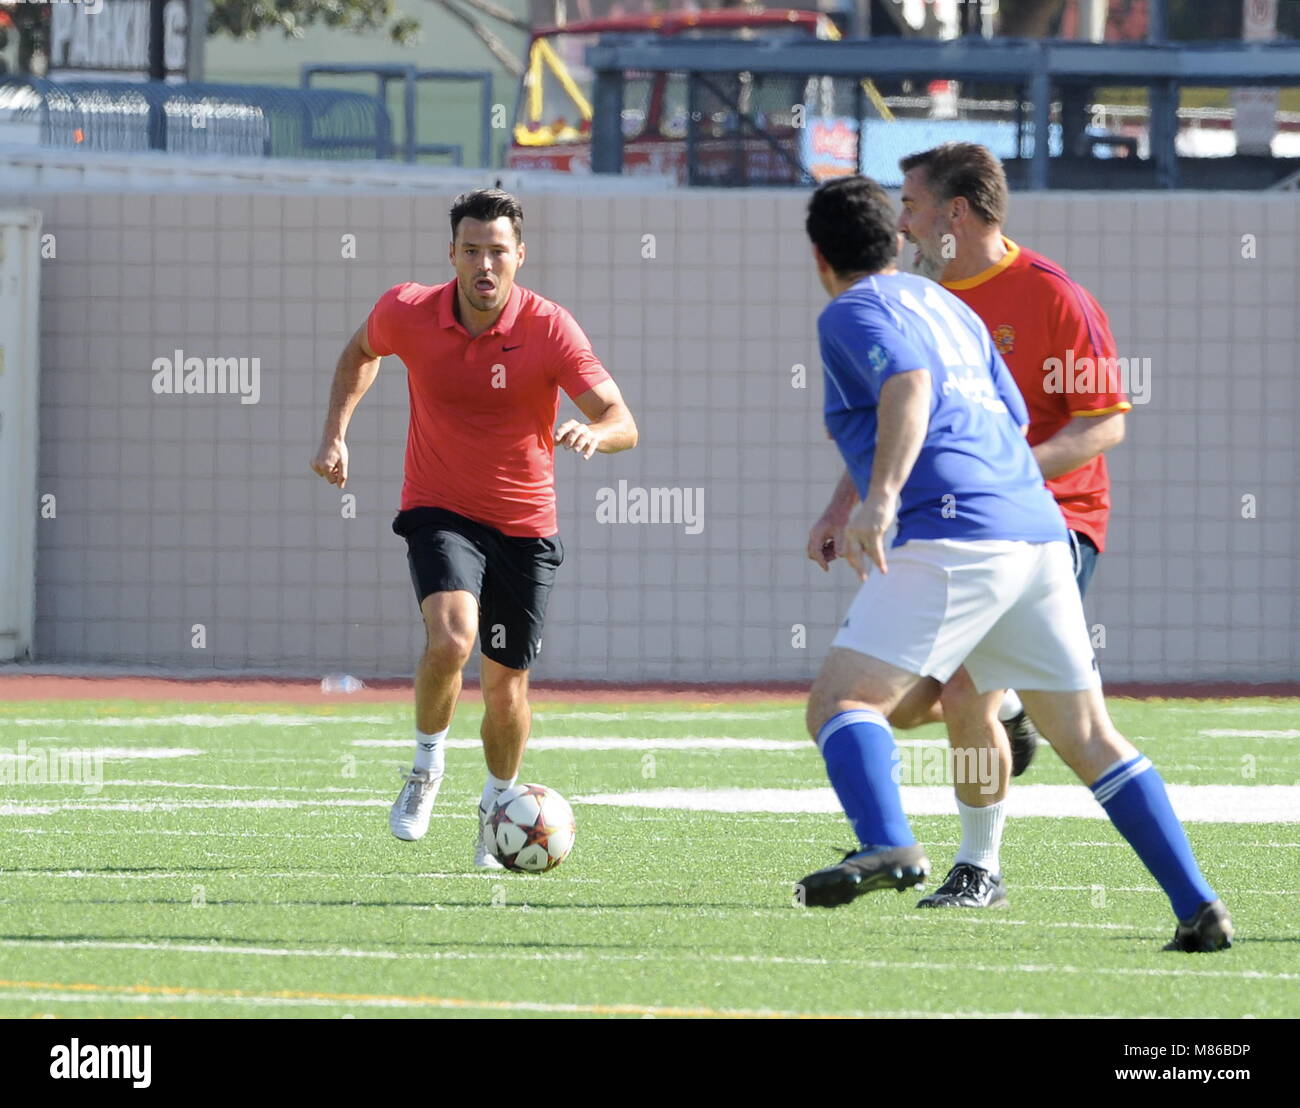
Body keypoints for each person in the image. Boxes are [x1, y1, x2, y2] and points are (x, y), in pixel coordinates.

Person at [796, 175, 1230, 953]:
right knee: (1092, 738)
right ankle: (1197, 905)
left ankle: (890, 842)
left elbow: (908, 384)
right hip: (1036, 532)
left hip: (954, 535)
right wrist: (853, 497)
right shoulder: (952, 307)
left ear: (819, 256)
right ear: (895, 242)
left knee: (842, 704)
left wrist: (881, 502)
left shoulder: (851, 310)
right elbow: (1011, 415)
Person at [807, 142, 1130, 910]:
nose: (901, 221)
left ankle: (978, 867)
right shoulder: (922, 295)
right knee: (911, 704)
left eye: (911, 204)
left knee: (962, 695)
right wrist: (840, 504)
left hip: (1052, 523)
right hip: (951, 528)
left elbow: (1104, 424)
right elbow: (900, 419)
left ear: (955, 213)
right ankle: (1010, 712)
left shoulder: (1054, 296)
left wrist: (1007, 474)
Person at [311, 188, 638, 867]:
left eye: (497, 251)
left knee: (505, 684)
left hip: (523, 524)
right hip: (439, 508)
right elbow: (358, 354)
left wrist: (594, 435)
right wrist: (336, 434)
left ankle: (497, 805)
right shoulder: (407, 310)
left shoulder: (549, 328)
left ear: (520, 256)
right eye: (471, 251)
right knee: (451, 639)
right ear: (451, 255)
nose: (484, 264)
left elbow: (621, 420)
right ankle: (426, 764)